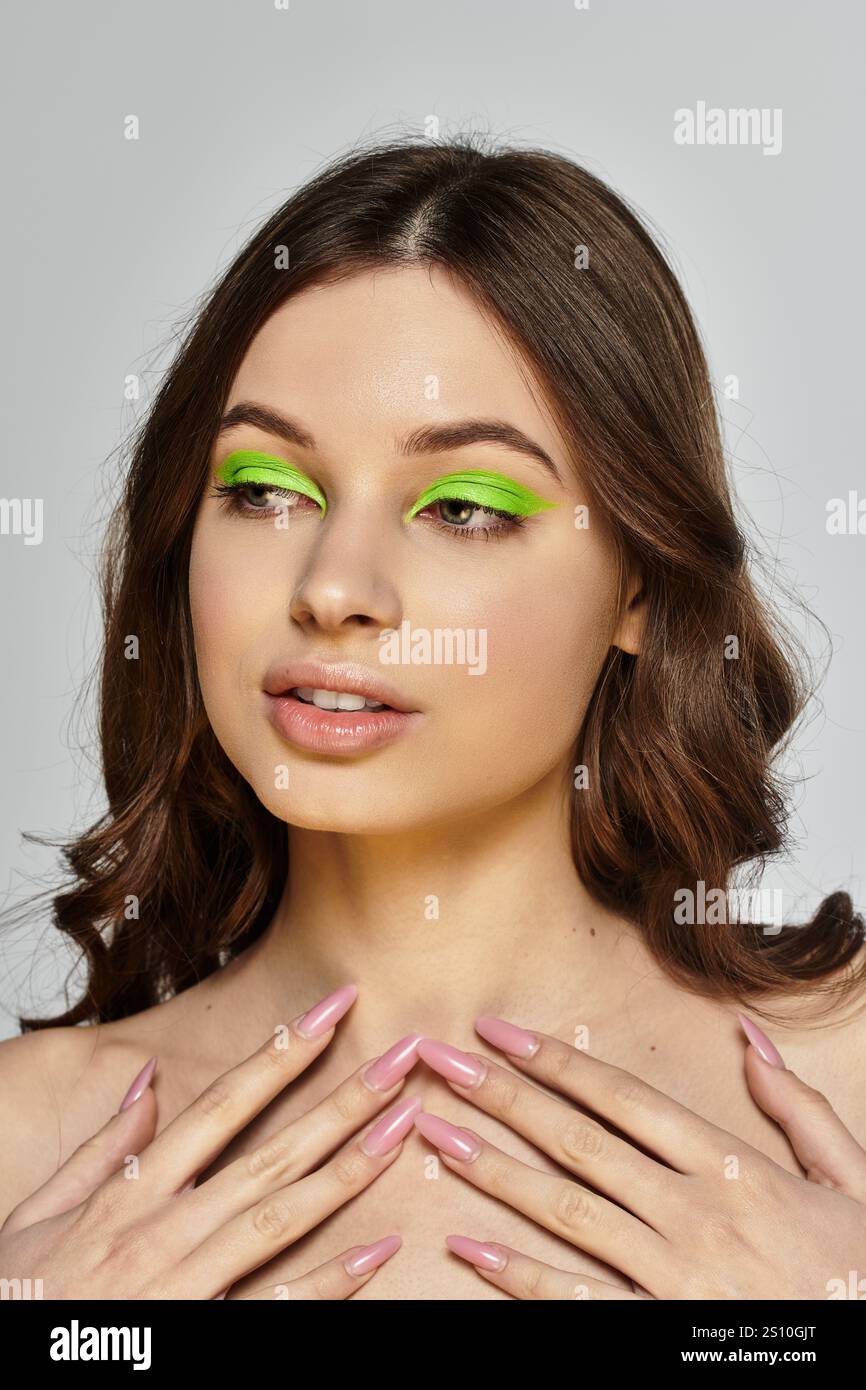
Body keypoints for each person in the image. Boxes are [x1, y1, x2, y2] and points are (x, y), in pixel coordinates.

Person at [2, 134, 865, 1301]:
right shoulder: (30, 1142)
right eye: (263, 490)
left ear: (639, 587)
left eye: (462, 506)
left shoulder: (842, 1078)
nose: (332, 587)